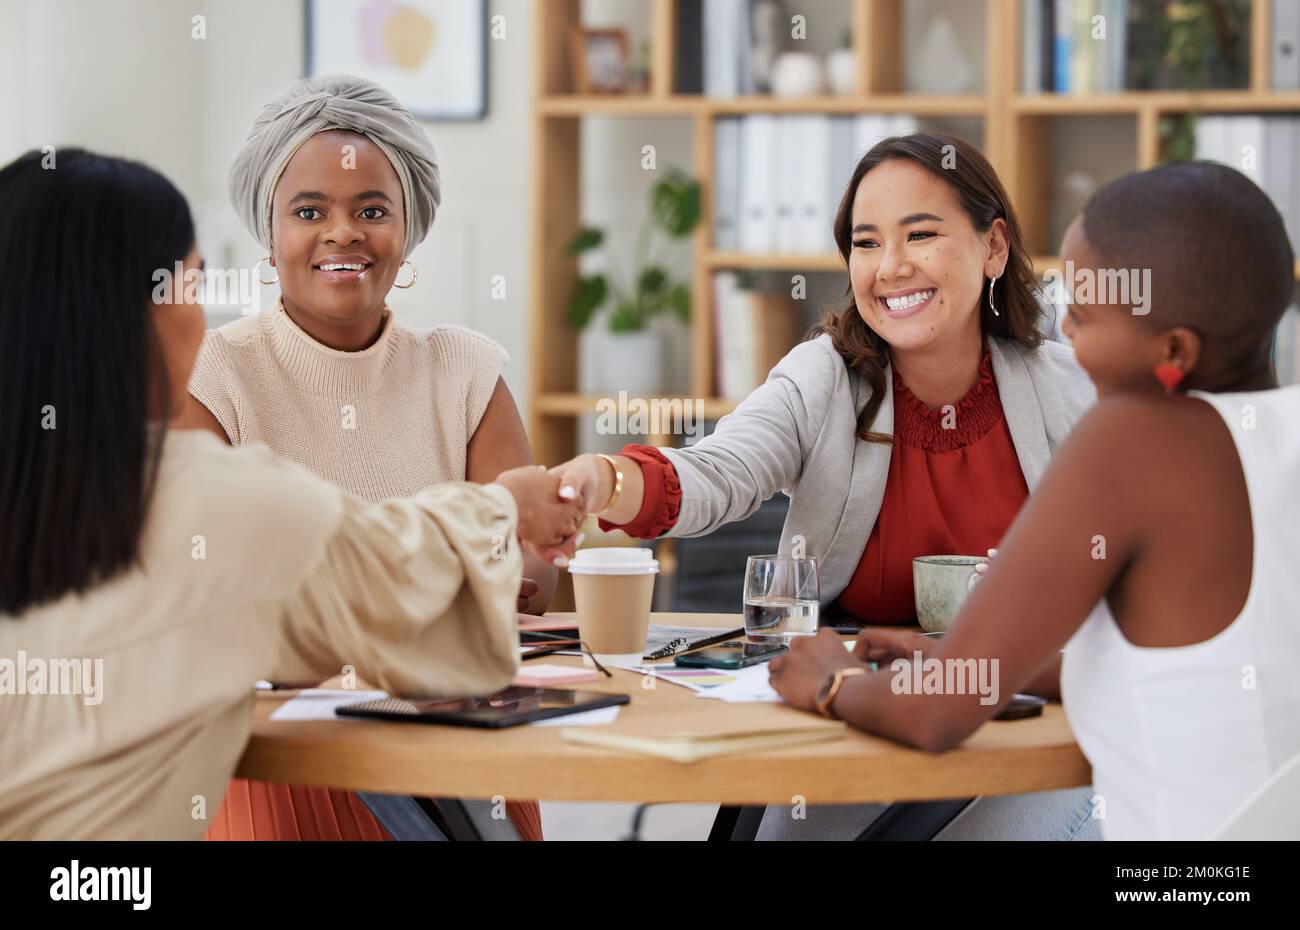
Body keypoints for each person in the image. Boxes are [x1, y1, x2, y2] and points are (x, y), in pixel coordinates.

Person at [0, 148, 580, 840]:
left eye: (371, 209)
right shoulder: (206, 499)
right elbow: (397, 576)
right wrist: (509, 507)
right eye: (192, 284)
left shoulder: (460, 366)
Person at [552, 133, 1099, 839]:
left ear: (993, 248)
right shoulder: (824, 379)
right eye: (866, 243)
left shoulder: (1067, 389)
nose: (891, 267)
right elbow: (715, 472)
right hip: (854, 717)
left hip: (1023, 723)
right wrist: (604, 478)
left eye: (921, 235)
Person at [769, 160, 1300, 840]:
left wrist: (833, 682)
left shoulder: (1132, 438)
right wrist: (972, 662)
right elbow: (1196, 668)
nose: (1065, 336)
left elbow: (933, 719)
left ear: (1173, 350)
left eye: (1080, 315)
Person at [179, 74, 557, 840]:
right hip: (283, 762)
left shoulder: (464, 370)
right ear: (270, 230)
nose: (342, 232)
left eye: (372, 210)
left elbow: (532, 568)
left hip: (455, 743)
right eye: (309, 211)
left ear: (406, 232)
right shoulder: (214, 374)